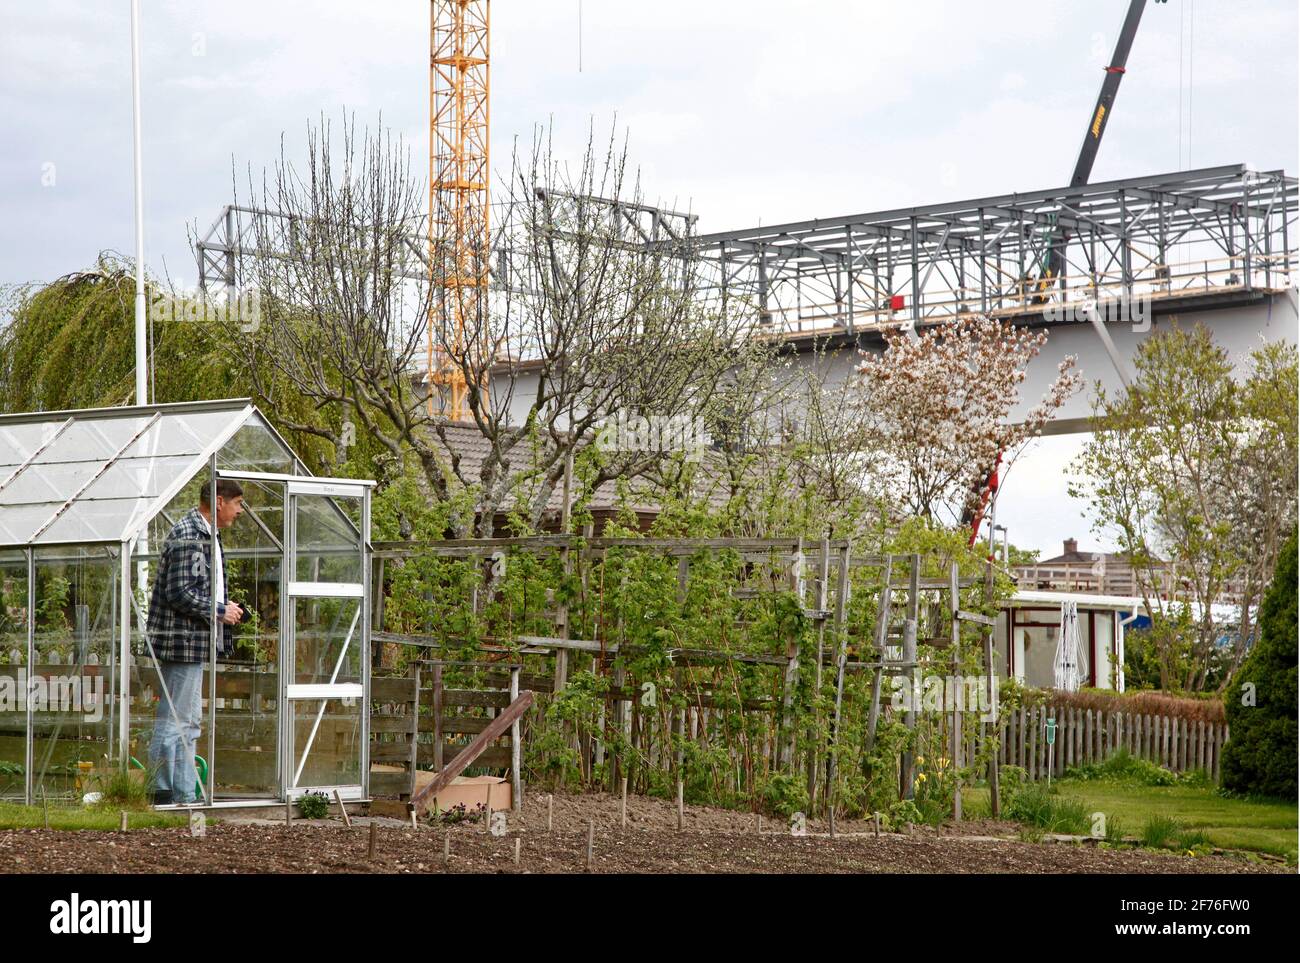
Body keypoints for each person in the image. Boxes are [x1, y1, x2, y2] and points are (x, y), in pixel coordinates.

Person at [145, 476, 244, 805]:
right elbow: (179, 592)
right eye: (237, 503)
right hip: (181, 642)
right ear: (218, 501)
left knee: (189, 722)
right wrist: (219, 610)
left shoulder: (208, 533)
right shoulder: (188, 533)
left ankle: (185, 795)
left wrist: (222, 611)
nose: (239, 511)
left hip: (195, 642)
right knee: (175, 719)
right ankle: (160, 790)